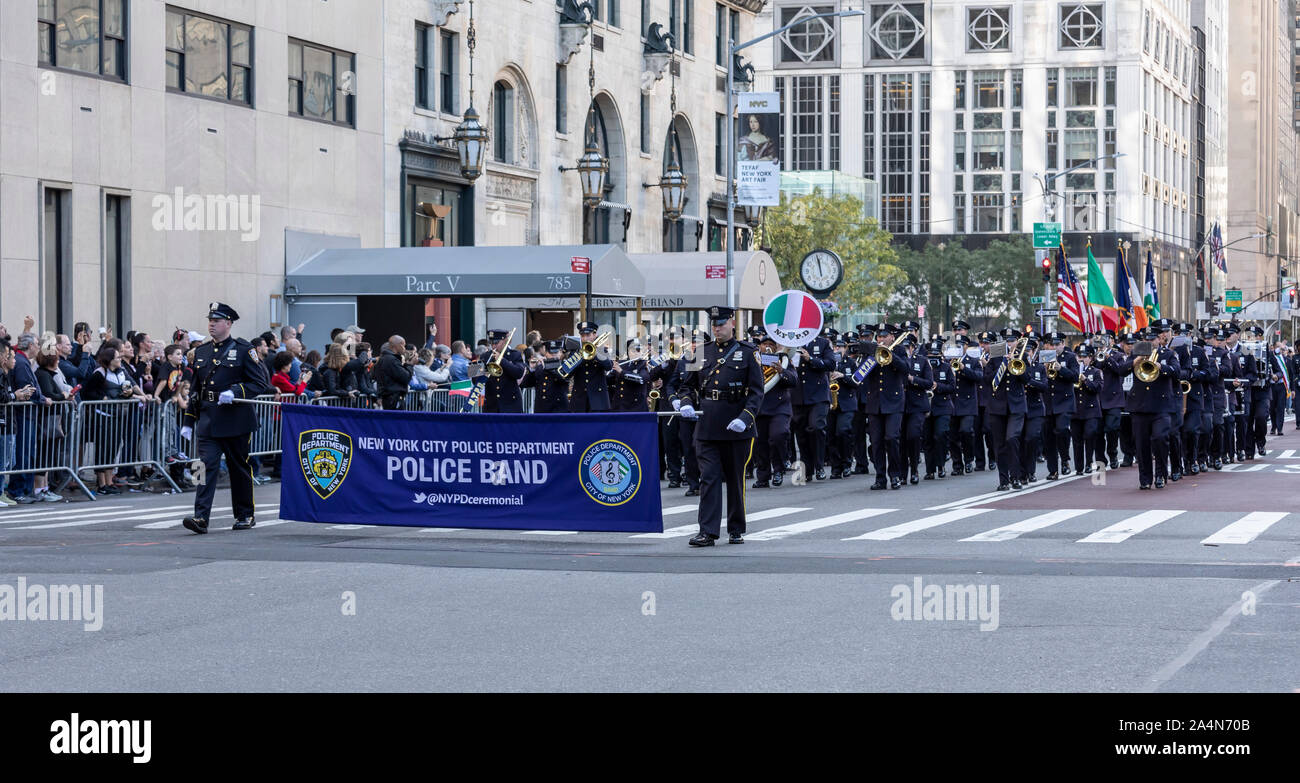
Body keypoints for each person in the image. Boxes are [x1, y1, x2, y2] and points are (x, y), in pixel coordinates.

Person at [672, 306, 763, 547]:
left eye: (721, 323)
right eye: (714, 324)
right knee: (709, 478)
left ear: (731, 323)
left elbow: (756, 392)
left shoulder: (748, 352)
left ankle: (735, 528)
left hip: (736, 423)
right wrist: (685, 403)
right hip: (708, 424)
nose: (717, 328)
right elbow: (686, 387)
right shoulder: (700, 352)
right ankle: (708, 531)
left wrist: (745, 418)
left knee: (735, 479)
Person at [180, 303, 271, 534]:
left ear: (228, 323)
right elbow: (196, 391)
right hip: (209, 419)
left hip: (235, 420)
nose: (211, 324)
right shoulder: (201, 352)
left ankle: (245, 514)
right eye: (210, 320)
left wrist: (236, 392)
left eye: (217, 321)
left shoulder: (243, 349)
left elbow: (259, 383)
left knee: (238, 468)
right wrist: (189, 421)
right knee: (203, 466)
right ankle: (200, 516)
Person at [1124, 322, 1182, 490]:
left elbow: (1177, 372)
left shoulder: (1169, 354)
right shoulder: (1137, 353)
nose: (1149, 342)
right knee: (1141, 444)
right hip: (1140, 406)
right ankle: (1145, 478)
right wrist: (1134, 361)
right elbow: (1121, 370)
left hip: (1161, 406)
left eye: (1152, 338)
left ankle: (1161, 474)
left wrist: (1160, 367)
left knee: (1160, 438)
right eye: (1146, 339)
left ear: (1160, 338)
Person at [568, 322, 613, 412]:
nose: (585, 338)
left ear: (595, 334)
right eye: (582, 336)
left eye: (588, 335)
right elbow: (568, 374)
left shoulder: (602, 350)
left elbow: (609, 366)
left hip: (598, 400)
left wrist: (596, 353)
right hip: (579, 400)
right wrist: (577, 358)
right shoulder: (575, 352)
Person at [477, 329, 526, 413]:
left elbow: (518, 373)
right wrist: (479, 370)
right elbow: (476, 380)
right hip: (491, 405)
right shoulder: (485, 356)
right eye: (491, 343)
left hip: (511, 404)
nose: (493, 346)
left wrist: (502, 360)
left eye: (496, 343)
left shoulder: (514, 355)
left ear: (504, 341)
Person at [373, 335, 414, 410]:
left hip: (390, 398)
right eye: (404, 345)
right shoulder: (391, 360)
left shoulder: (385, 358)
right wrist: (410, 364)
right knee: (396, 421)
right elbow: (406, 377)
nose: (404, 349)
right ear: (399, 346)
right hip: (393, 398)